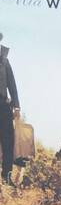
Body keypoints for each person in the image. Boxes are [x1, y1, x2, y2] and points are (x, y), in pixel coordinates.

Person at [0, 33, 20, 186]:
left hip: (4, 106)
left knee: (8, 142)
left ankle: (6, 177)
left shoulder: (4, 60)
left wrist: (17, 105)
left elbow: (12, 84)